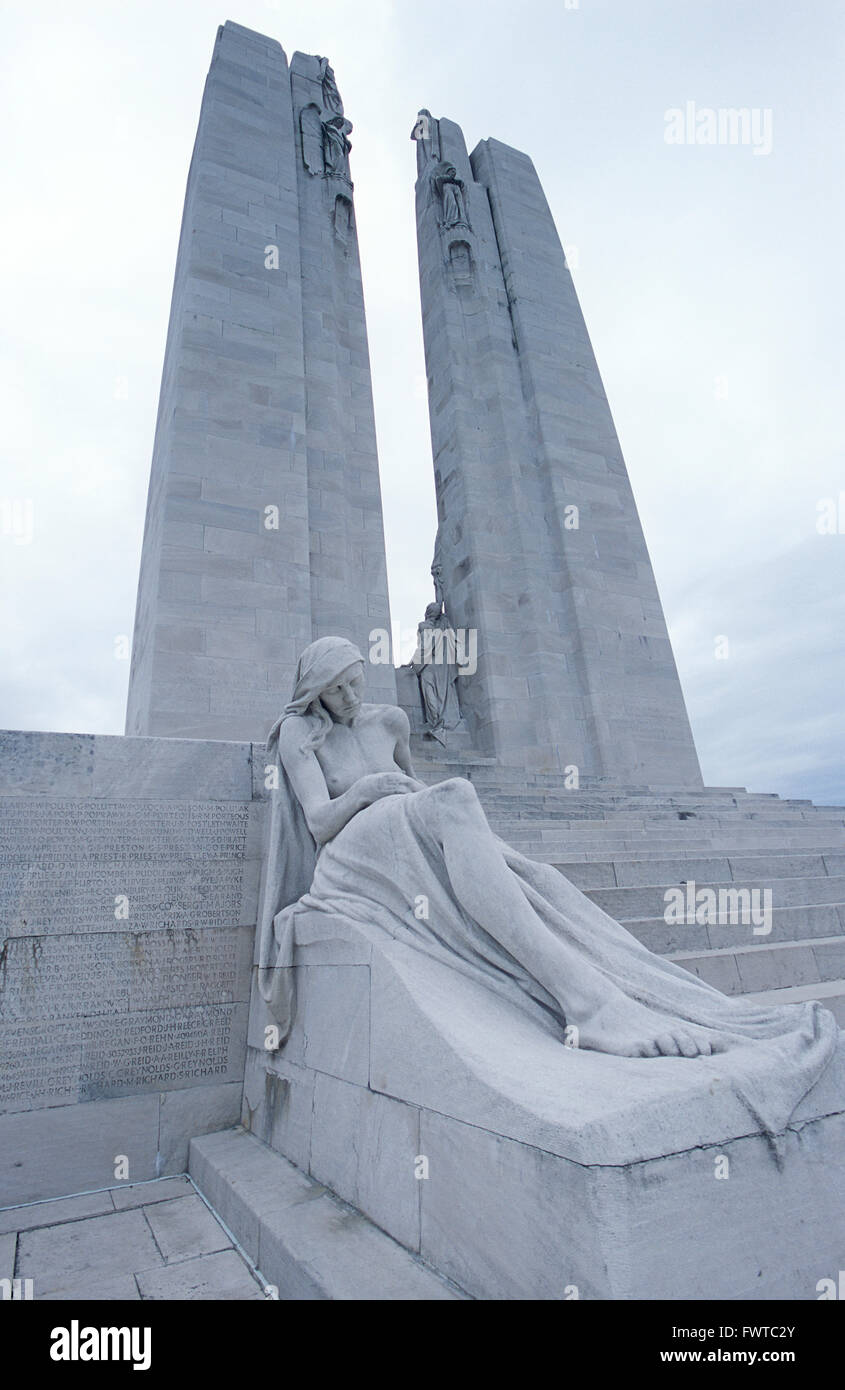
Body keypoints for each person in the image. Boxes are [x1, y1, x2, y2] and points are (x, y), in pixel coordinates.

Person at [257, 637, 838, 1131]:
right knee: (459, 795)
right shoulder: (300, 734)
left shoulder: (390, 721)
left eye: (357, 682)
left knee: (545, 882)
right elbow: (317, 821)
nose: (351, 699)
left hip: (405, 828)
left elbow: (416, 787)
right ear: (314, 691)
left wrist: (405, 796)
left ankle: (640, 991)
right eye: (336, 690)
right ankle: (588, 1004)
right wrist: (365, 791)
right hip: (352, 848)